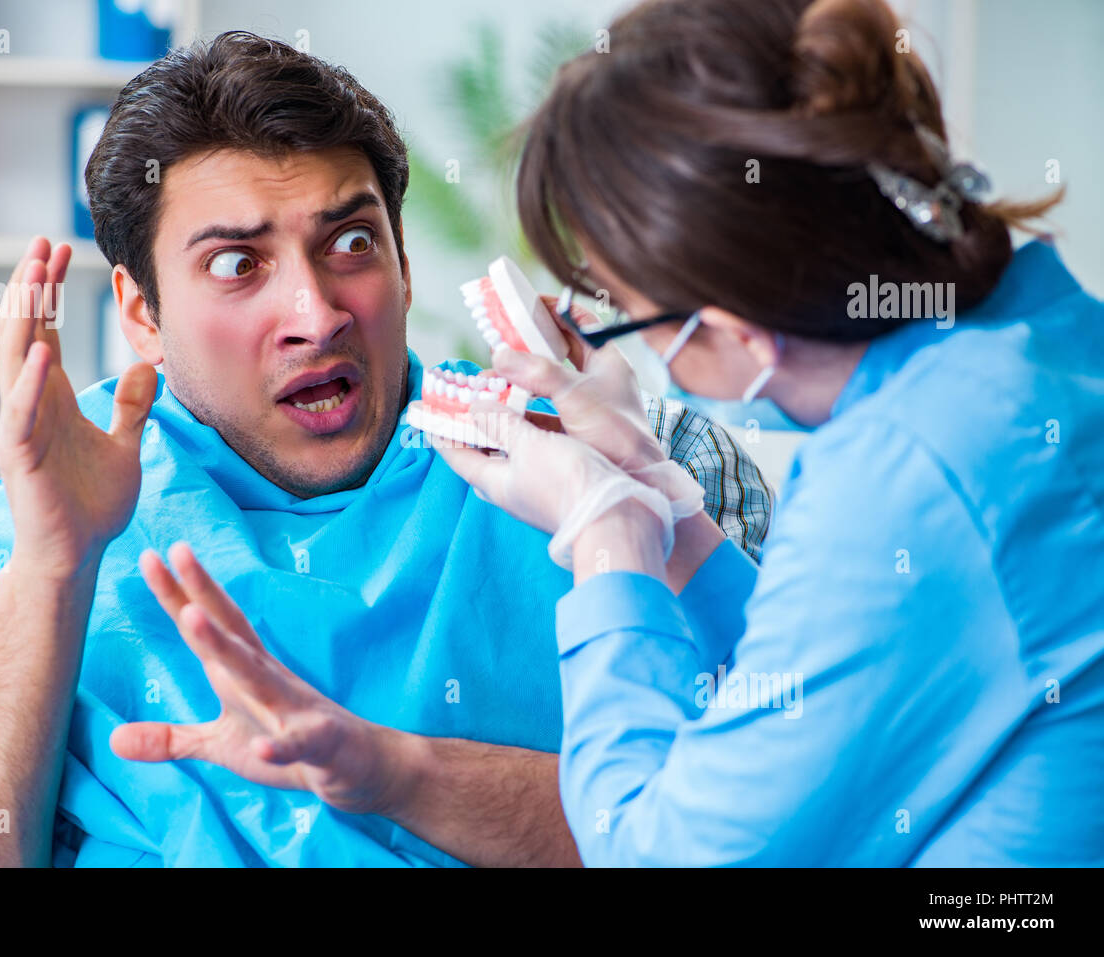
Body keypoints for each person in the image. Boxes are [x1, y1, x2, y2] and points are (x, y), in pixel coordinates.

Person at [0, 32, 770, 867]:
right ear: (141, 315)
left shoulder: (636, 466)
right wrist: (52, 569)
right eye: (237, 265)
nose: (317, 314)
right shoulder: (38, 520)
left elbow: (784, 823)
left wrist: (401, 773)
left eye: (351, 241)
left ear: (402, 258)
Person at [434, 0, 1104, 865]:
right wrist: (651, 487)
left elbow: (660, 854)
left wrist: (605, 539)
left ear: (737, 333)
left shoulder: (910, 469)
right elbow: (821, 684)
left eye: (628, 316)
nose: (630, 346)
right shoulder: (1039, 336)